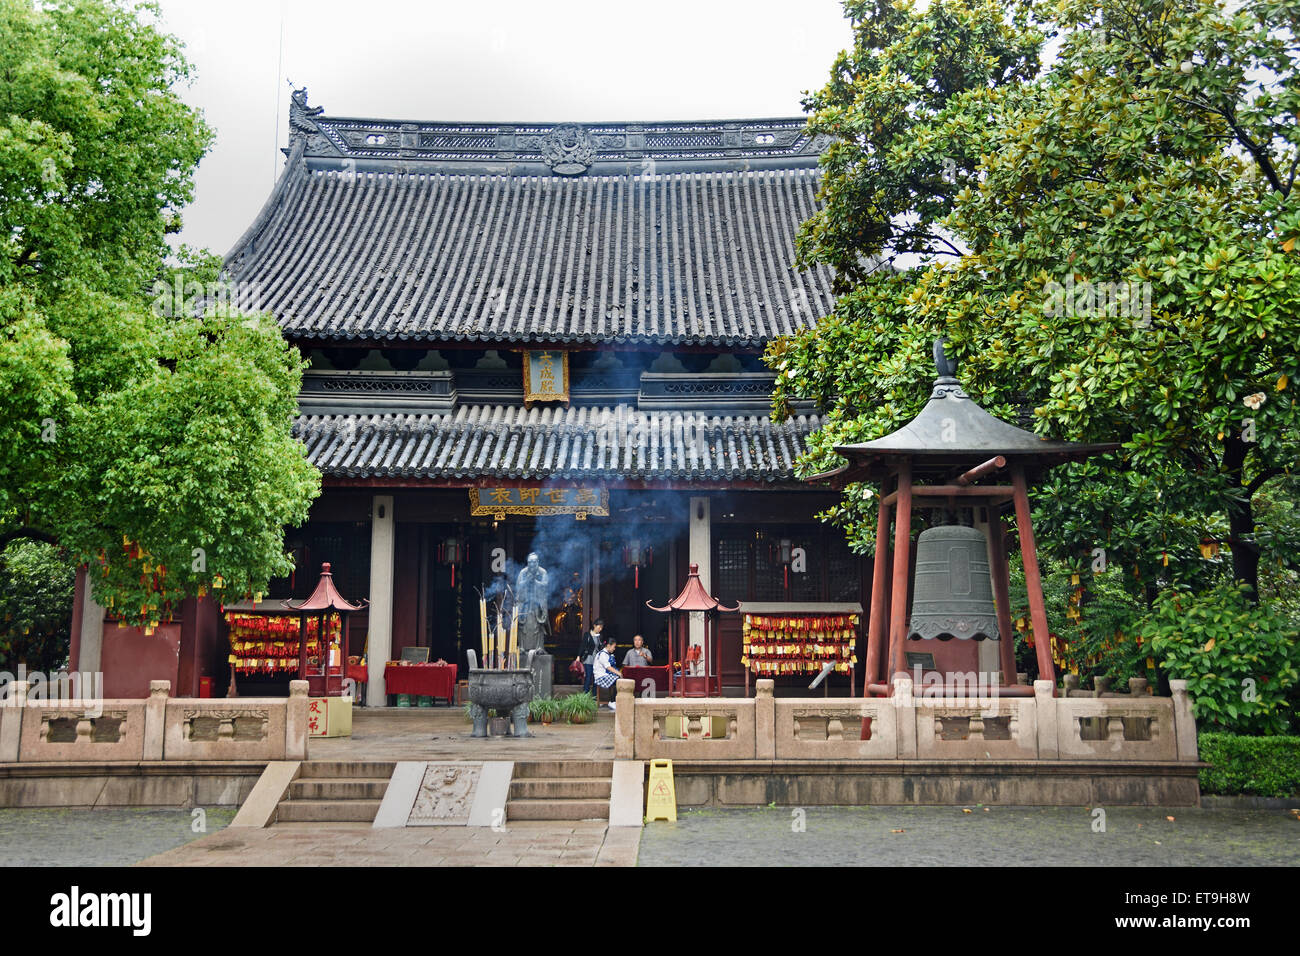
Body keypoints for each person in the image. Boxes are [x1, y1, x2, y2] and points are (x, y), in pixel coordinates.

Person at [593, 636, 622, 709]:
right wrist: (619, 673)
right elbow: (608, 667)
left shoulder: (608, 654)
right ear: (608, 645)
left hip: (606, 675)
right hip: (601, 676)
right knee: (618, 681)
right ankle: (612, 701)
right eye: (614, 647)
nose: (614, 649)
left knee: (620, 680)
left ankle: (614, 700)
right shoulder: (602, 654)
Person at [576, 619, 604, 694]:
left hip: (597, 661)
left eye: (601, 628)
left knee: (595, 679)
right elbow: (582, 645)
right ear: (594, 625)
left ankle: (594, 697)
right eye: (599, 627)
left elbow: (601, 647)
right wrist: (578, 656)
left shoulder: (600, 636)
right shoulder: (587, 635)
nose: (600, 629)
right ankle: (585, 697)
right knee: (588, 678)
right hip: (588, 659)